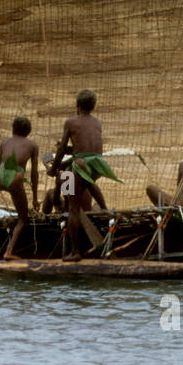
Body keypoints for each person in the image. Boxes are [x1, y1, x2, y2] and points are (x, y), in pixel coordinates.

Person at [49, 88, 117, 261]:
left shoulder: (71, 122)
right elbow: (86, 148)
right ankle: (104, 208)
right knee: (85, 180)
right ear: (93, 107)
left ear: (77, 105)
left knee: (72, 206)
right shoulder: (97, 123)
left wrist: (53, 168)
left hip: (81, 163)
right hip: (98, 164)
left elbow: (63, 148)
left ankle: (76, 252)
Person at [0, 116, 39, 260]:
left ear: (13, 129)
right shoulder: (32, 145)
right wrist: (35, 199)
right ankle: (8, 252)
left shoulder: (4, 142)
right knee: (23, 218)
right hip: (16, 177)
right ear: (28, 131)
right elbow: (34, 174)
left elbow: (0, 165)